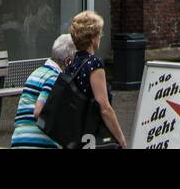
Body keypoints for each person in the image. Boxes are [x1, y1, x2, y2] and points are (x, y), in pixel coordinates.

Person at [61, 10, 126, 149]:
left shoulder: (71, 64)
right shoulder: (94, 64)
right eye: (99, 34)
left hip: (75, 134)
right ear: (93, 38)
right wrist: (121, 138)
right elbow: (104, 107)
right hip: (92, 136)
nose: (100, 37)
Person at [11, 33, 76, 148]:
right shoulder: (55, 78)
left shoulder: (37, 73)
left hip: (19, 139)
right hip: (39, 143)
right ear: (68, 62)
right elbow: (39, 112)